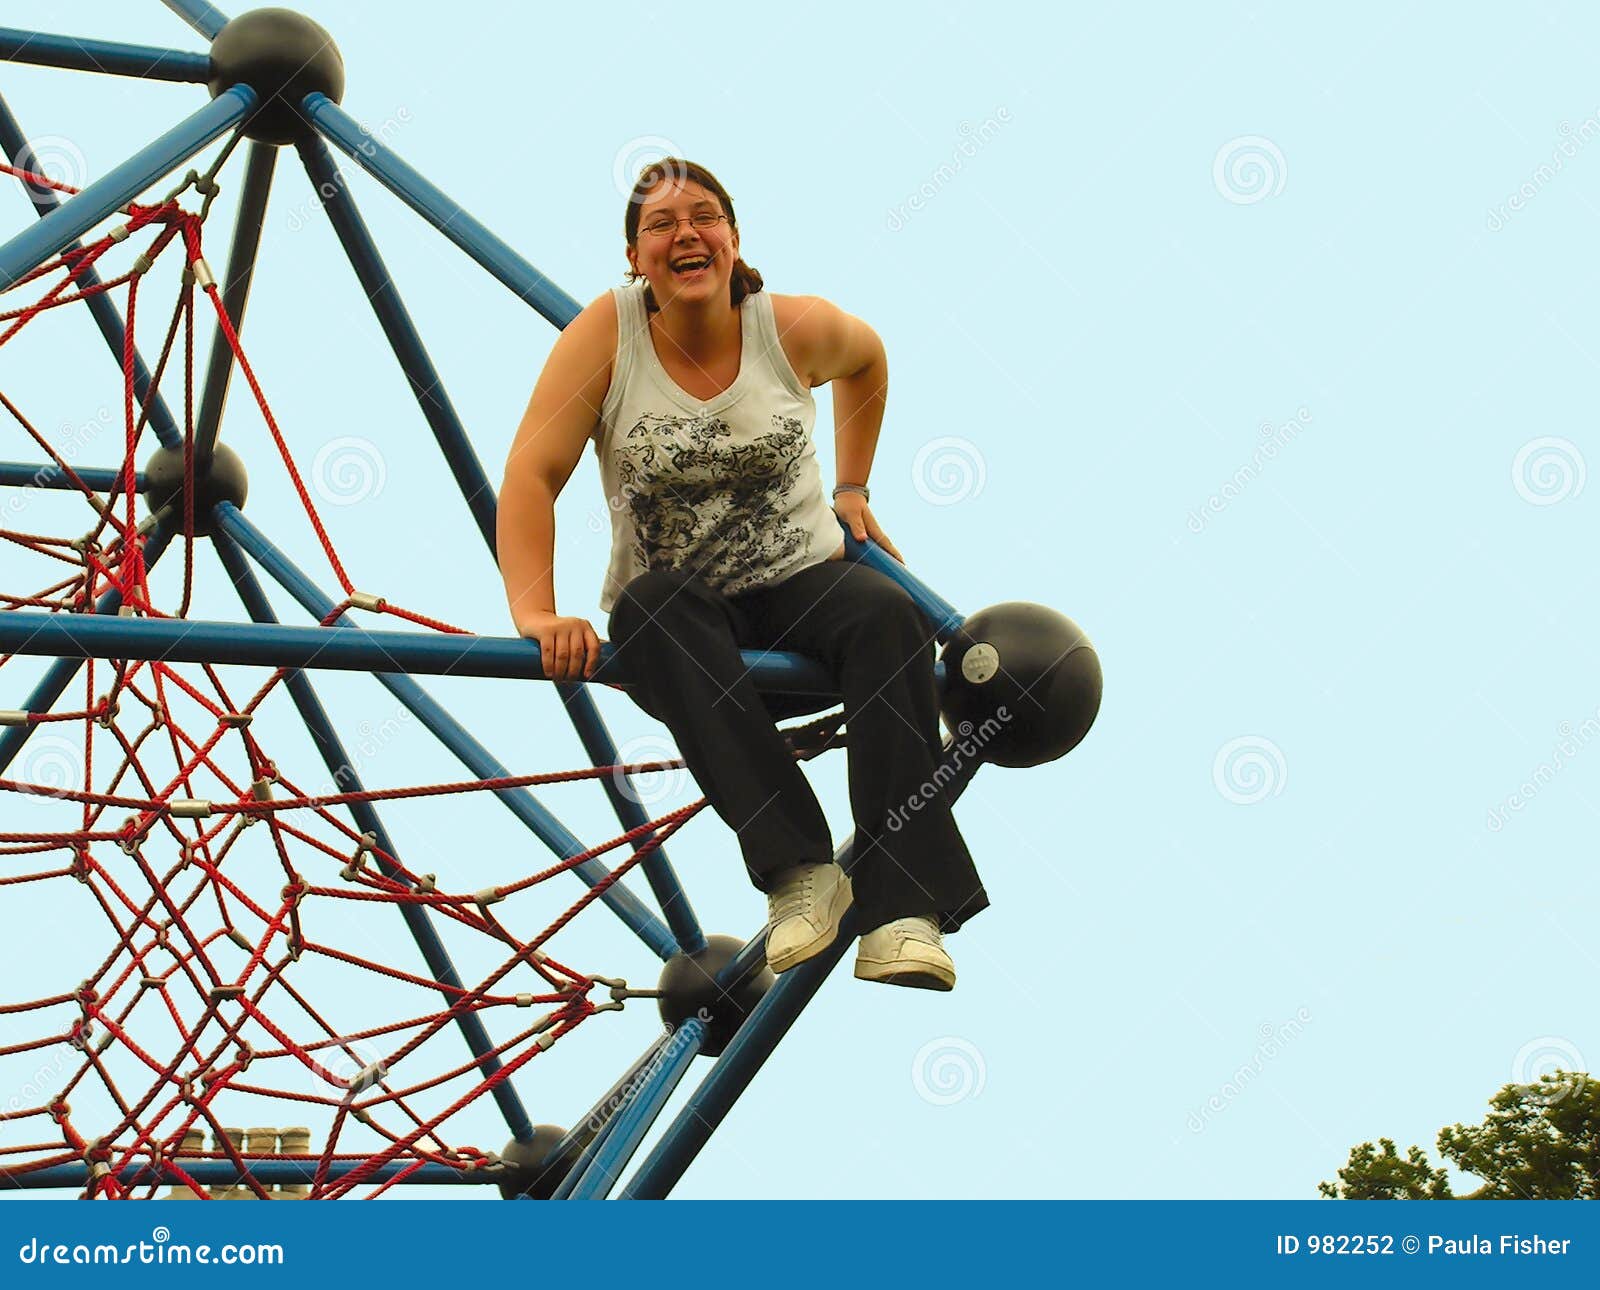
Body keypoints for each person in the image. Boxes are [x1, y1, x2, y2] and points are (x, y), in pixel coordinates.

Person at [497, 158, 987, 990]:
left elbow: (869, 362)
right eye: (661, 223)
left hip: (801, 589)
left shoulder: (788, 329)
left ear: (733, 238)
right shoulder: (606, 337)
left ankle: (904, 913)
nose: (686, 233)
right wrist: (537, 614)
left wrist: (853, 487)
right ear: (635, 257)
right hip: (689, 637)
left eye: (705, 216)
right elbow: (531, 474)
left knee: (886, 613)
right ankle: (801, 873)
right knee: (650, 606)